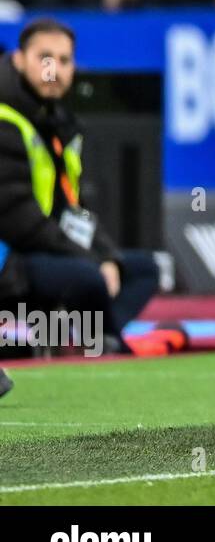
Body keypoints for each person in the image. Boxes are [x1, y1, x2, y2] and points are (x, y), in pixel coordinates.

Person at [0, 18, 160, 356]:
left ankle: (73, 338)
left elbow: (74, 210)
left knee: (144, 269)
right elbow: (19, 220)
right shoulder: (4, 119)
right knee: (86, 276)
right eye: (45, 58)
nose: (53, 70)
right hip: (8, 256)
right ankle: (106, 343)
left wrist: (107, 257)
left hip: (39, 250)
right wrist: (90, 261)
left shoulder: (58, 120)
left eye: (64, 60)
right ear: (18, 60)